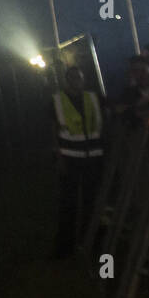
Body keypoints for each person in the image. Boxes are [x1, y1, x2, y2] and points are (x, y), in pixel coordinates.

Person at [52, 66, 104, 256]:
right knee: (69, 203)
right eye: (73, 78)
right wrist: (59, 157)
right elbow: (54, 129)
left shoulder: (93, 98)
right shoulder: (57, 100)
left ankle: (88, 241)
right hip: (71, 158)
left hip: (92, 158)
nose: (76, 81)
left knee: (91, 201)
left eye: (79, 77)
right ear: (67, 80)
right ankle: (66, 245)